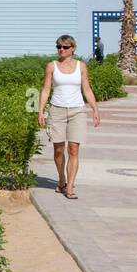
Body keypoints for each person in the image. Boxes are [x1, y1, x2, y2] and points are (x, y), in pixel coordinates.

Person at [37, 35, 101, 198]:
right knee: (58, 150)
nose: (61, 50)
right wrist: (40, 111)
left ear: (73, 48)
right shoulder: (52, 66)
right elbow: (46, 90)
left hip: (77, 111)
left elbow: (86, 89)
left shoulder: (81, 66)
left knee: (73, 149)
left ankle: (70, 187)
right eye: (58, 46)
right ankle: (61, 179)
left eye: (65, 47)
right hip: (57, 110)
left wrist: (95, 110)